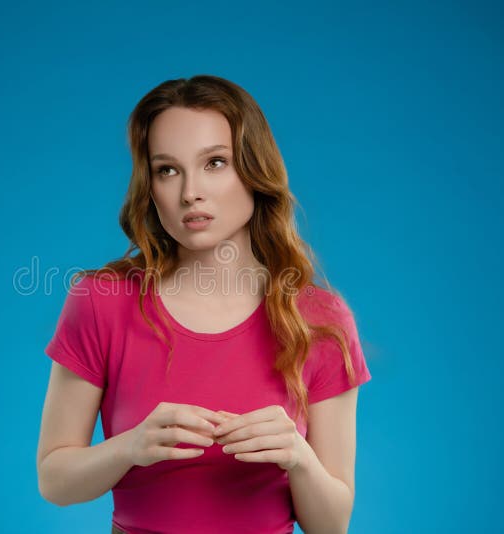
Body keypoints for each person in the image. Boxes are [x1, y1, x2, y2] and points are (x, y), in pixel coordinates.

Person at [36, 74, 372, 534]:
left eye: (215, 162)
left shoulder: (320, 321)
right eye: (167, 169)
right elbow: (54, 480)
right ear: (149, 186)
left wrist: (299, 457)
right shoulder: (101, 302)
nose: (190, 191)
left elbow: (332, 525)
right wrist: (130, 447)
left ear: (255, 171)